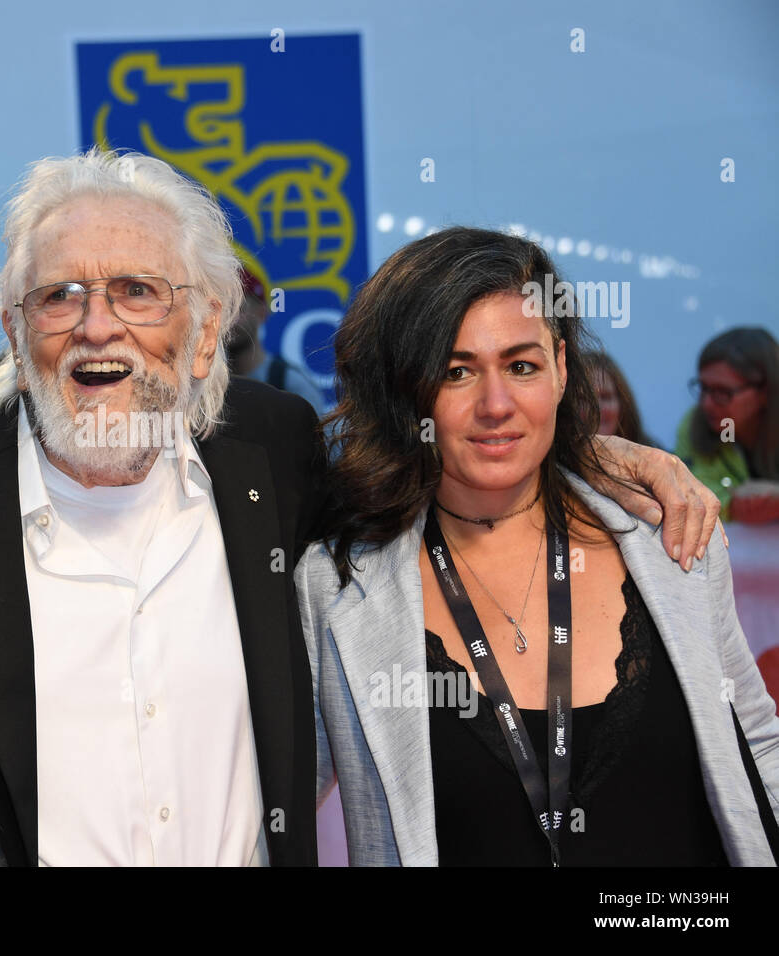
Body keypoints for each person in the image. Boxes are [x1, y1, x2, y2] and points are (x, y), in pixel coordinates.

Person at [0, 152, 717, 868]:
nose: (94, 324)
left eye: (137, 291)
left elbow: (454, 452)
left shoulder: (270, 447)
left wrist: (598, 455)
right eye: (58, 295)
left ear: (206, 326)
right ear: (11, 330)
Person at [297, 227, 779, 866]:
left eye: (521, 366)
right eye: (456, 371)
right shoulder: (336, 587)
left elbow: (756, 744)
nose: (496, 405)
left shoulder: (670, 538)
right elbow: (270, 802)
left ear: (559, 368)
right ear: (404, 387)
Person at [676, 327, 779, 524]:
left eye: (723, 392)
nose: (706, 403)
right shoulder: (700, 424)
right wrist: (732, 505)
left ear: (765, 392)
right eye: (704, 388)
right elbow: (689, 491)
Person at [226, 268, 327, 413]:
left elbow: (320, 434)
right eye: (219, 309)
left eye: (237, 309)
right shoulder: (203, 387)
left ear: (261, 313)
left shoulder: (290, 384)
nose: (227, 319)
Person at [590, 351, 656, 447]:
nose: (596, 408)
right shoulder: (560, 457)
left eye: (605, 397)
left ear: (623, 403)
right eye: (584, 399)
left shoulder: (656, 458)